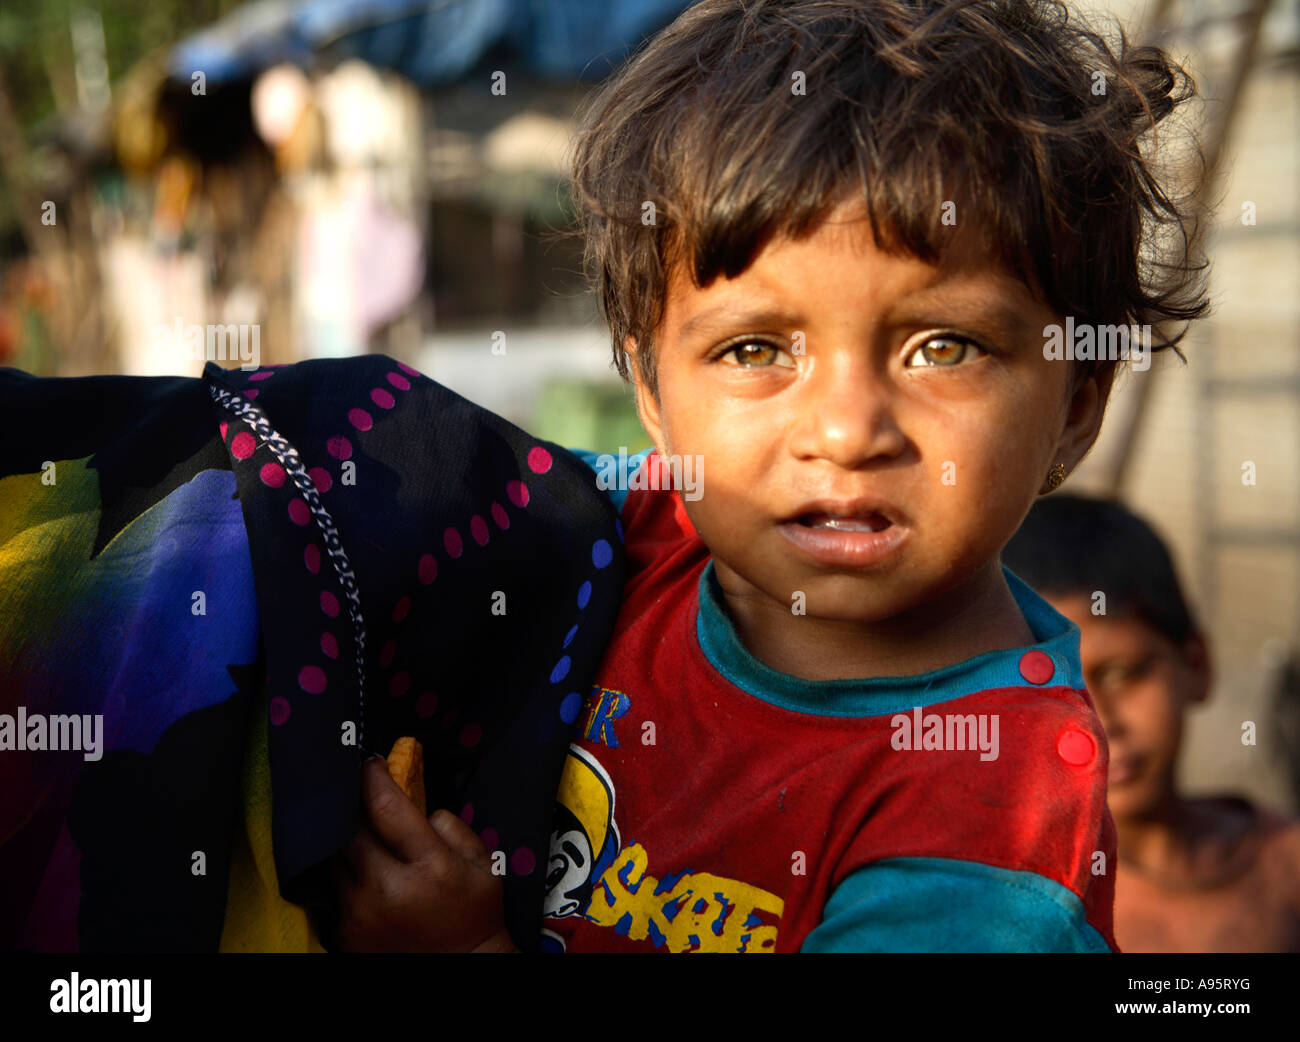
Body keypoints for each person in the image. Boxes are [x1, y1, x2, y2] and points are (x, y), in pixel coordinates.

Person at [331, 0, 1213, 952]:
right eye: (756, 349)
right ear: (655, 391)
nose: (845, 430)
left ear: (1080, 401)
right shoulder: (625, 528)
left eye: (942, 346)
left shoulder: (988, 819)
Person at [1004, 494, 1300, 952]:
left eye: (1125, 674)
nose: (1098, 724)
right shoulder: (1004, 909)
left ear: (1196, 664)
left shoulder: (1285, 869)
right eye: (1056, 693)